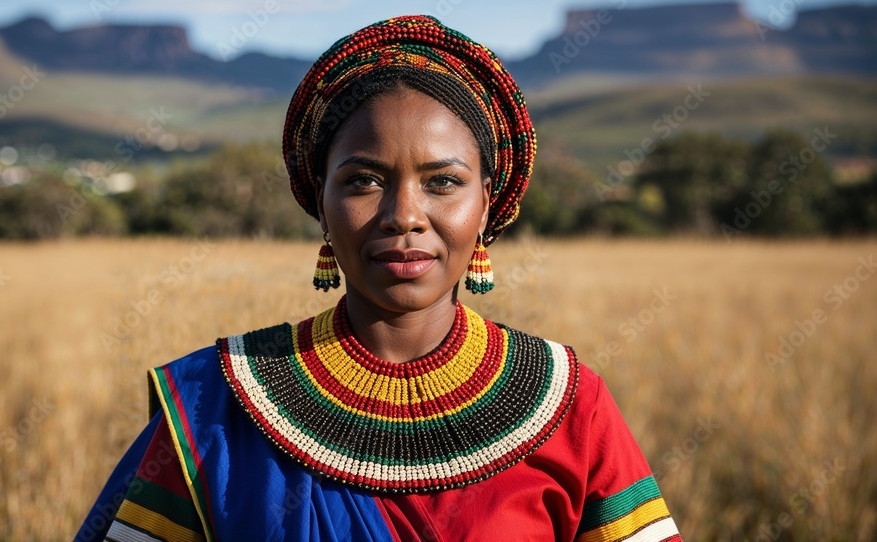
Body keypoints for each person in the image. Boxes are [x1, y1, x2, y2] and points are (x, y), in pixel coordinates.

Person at [77, 15, 681, 542]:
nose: (404, 216)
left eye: (443, 182)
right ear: (321, 200)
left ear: (488, 203)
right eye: (363, 181)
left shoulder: (570, 405)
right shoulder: (218, 404)